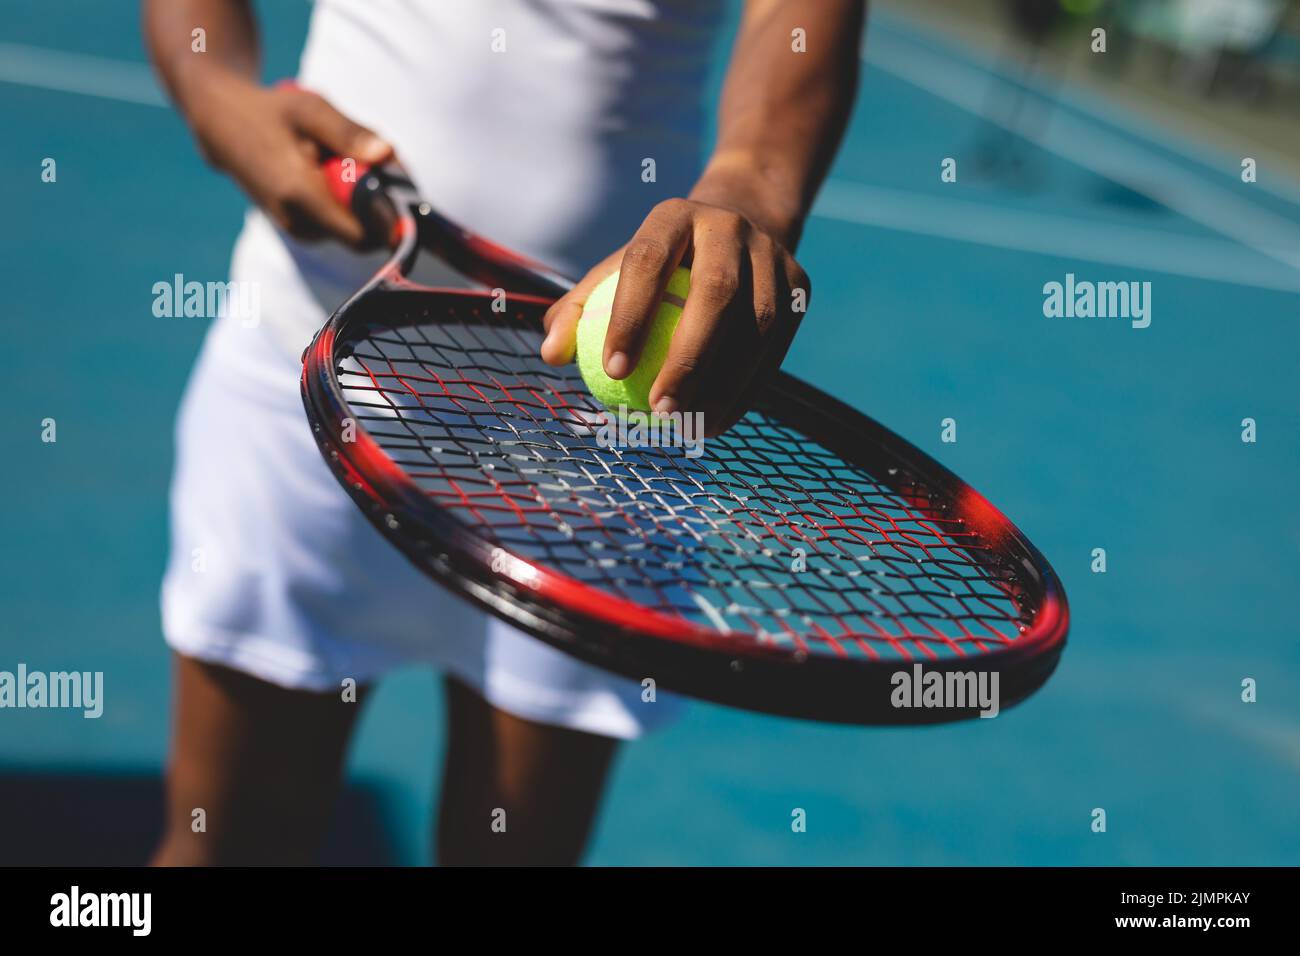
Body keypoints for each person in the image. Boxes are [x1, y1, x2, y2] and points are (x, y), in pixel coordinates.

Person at [143, 0, 865, 866]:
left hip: (609, 435)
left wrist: (751, 182)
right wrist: (211, 87)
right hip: (307, 356)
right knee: (227, 852)